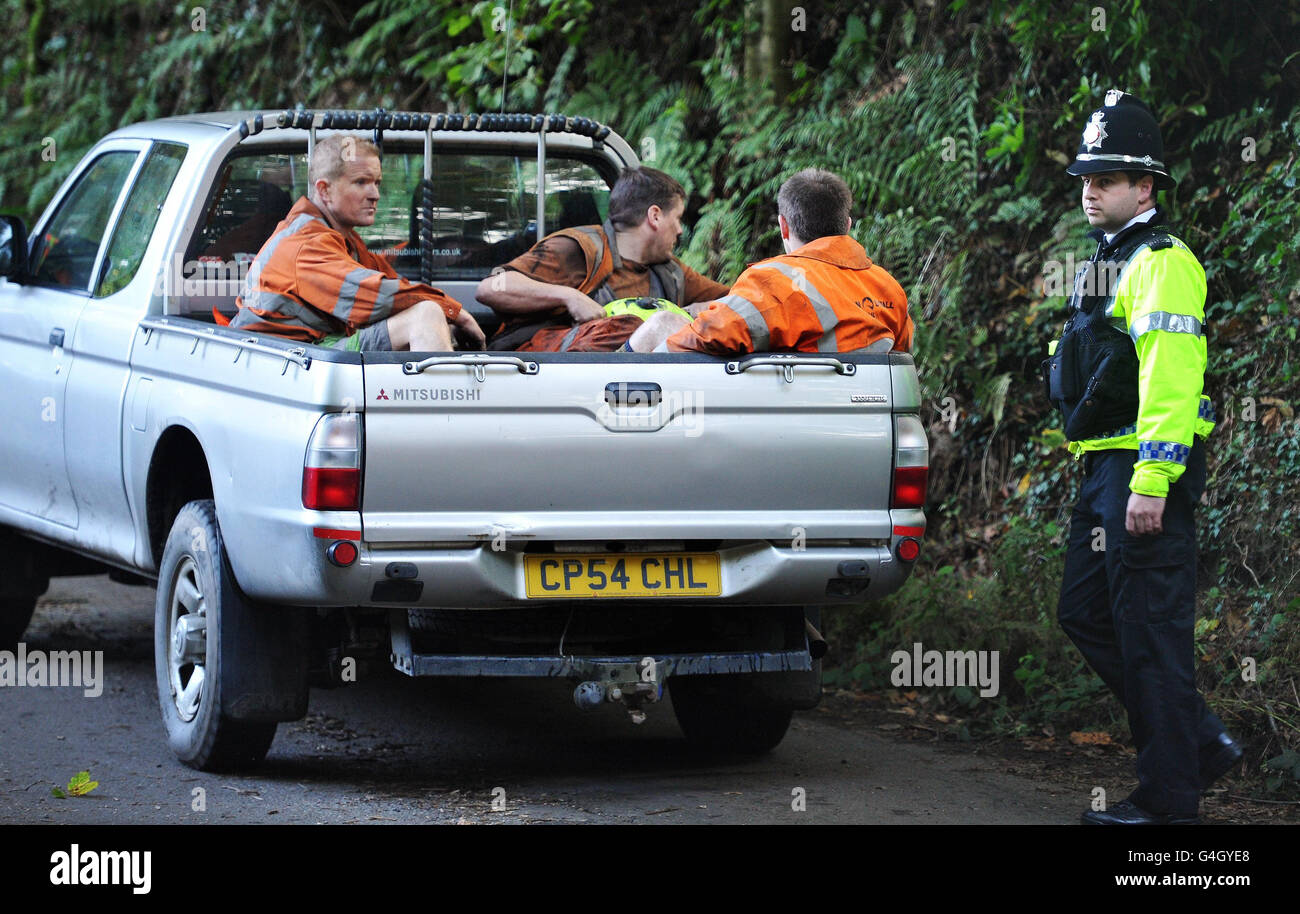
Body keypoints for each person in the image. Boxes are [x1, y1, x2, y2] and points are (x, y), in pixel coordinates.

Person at [1045, 90, 1239, 825]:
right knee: (1085, 612)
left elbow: (1171, 378)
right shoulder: (1109, 258)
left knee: (1152, 634)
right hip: (1103, 467)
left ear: (1145, 187)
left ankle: (1169, 803)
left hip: (1141, 470)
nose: (1090, 189)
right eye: (1086, 178)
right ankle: (1198, 742)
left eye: (1108, 177)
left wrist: (1154, 478)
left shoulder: (1163, 261)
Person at [231, 134, 484, 351]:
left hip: (311, 353)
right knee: (426, 315)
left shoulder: (344, 239)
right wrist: (455, 312)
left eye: (377, 183)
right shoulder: (306, 244)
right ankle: (441, 408)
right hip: (287, 359)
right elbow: (378, 297)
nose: (375, 195)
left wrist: (448, 320)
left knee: (431, 316)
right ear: (324, 190)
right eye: (361, 182)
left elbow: (394, 287)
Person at [626, 168, 912, 354]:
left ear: (783, 227)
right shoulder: (889, 288)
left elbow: (700, 339)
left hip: (794, 426)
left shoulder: (775, 282)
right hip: (867, 424)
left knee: (661, 324)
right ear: (847, 225)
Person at [475, 165, 729, 351]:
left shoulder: (671, 273)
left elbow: (736, 299)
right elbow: (490, 288)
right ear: (655, 216)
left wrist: (696, 310)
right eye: (677, 218)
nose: (680, 230)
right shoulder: (580, 250)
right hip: (548, 377)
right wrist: (569, 296)